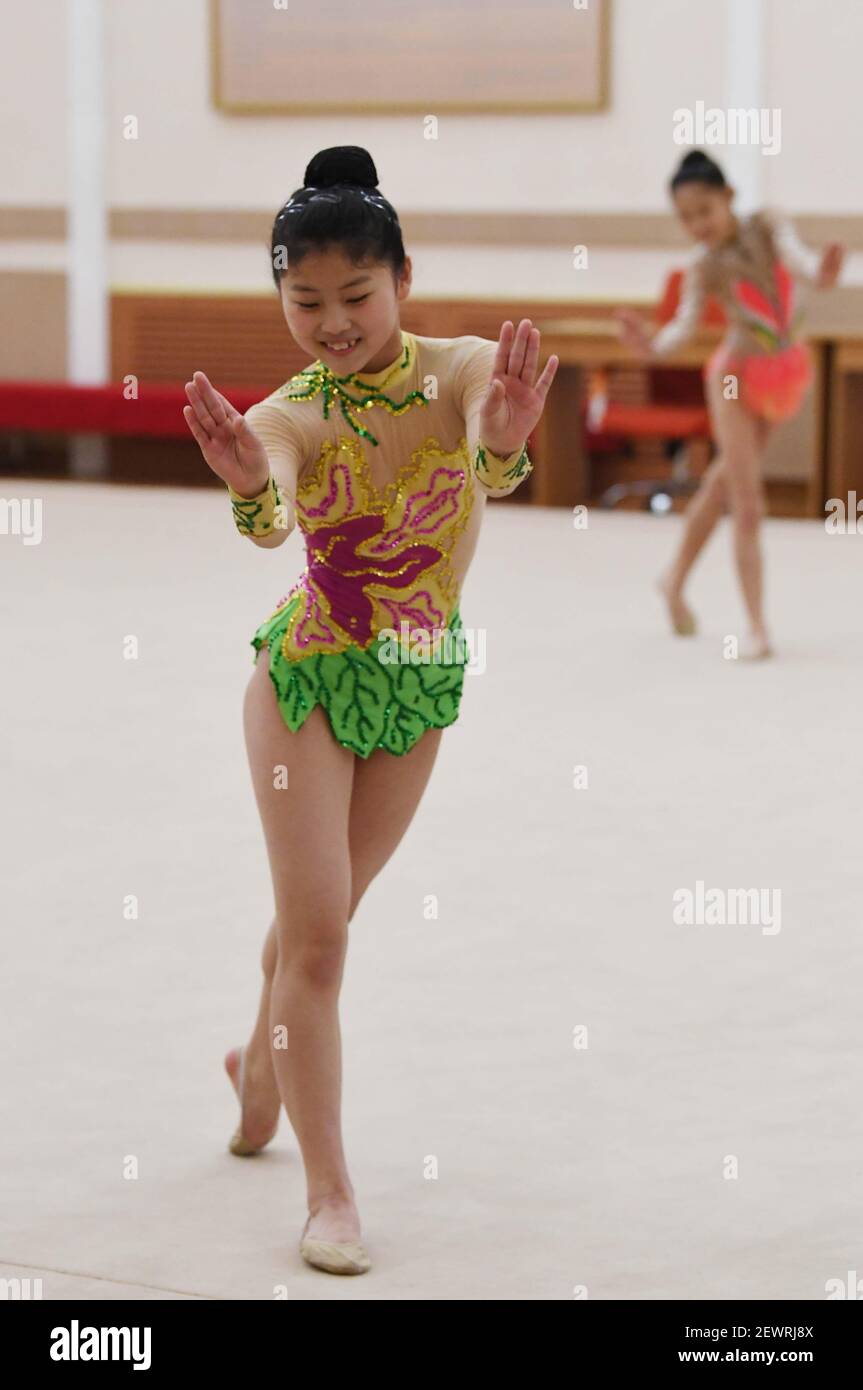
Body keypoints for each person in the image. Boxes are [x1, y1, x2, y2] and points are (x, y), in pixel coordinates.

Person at [182, 145, 558, 1275]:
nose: (332, 322)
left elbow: (494, 448)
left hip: (417, 684)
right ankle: (329, 1192)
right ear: (281, 299)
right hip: (305, 679)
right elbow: (271, 508)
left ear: (401, 278)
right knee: (325, 937)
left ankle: (256, 1069)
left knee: (315, 920)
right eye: (305, 302)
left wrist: (499, 436)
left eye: (355, 295)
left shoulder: (462, 368)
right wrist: (249, 478)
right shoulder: (291, 409)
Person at [618, 149, 844, 658]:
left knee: (721, 484)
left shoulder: (767, 224)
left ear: (729, 197)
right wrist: (651, 346)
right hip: (734, 380)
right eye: (685, 217)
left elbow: (800, 262)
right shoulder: (703, 266)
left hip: (779, 375)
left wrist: (824, 272)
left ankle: (673, 580)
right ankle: (758, 626)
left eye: (705, 210)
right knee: (748, 503)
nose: (697, 224)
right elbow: (684, 324)